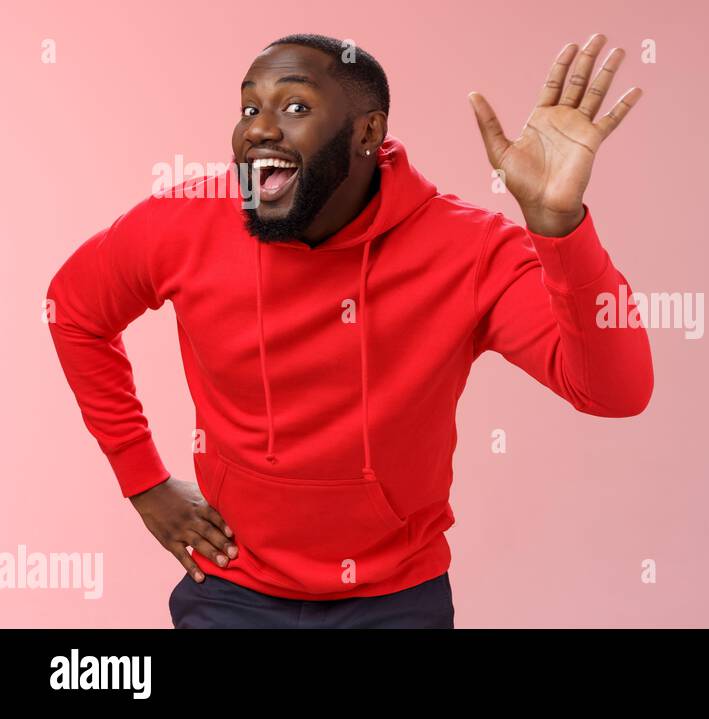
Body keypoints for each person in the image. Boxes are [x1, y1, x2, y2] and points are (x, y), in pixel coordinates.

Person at [45, 32, 653, 628]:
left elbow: (613, 391)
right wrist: (143, 480)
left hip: (396, 598)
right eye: (249, 107)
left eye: (296, 106)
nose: (257, 128)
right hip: (229, 588)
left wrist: (560, 227)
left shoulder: (471, 249)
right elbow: (72, 310)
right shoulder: (183, 223)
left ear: (367, 132)